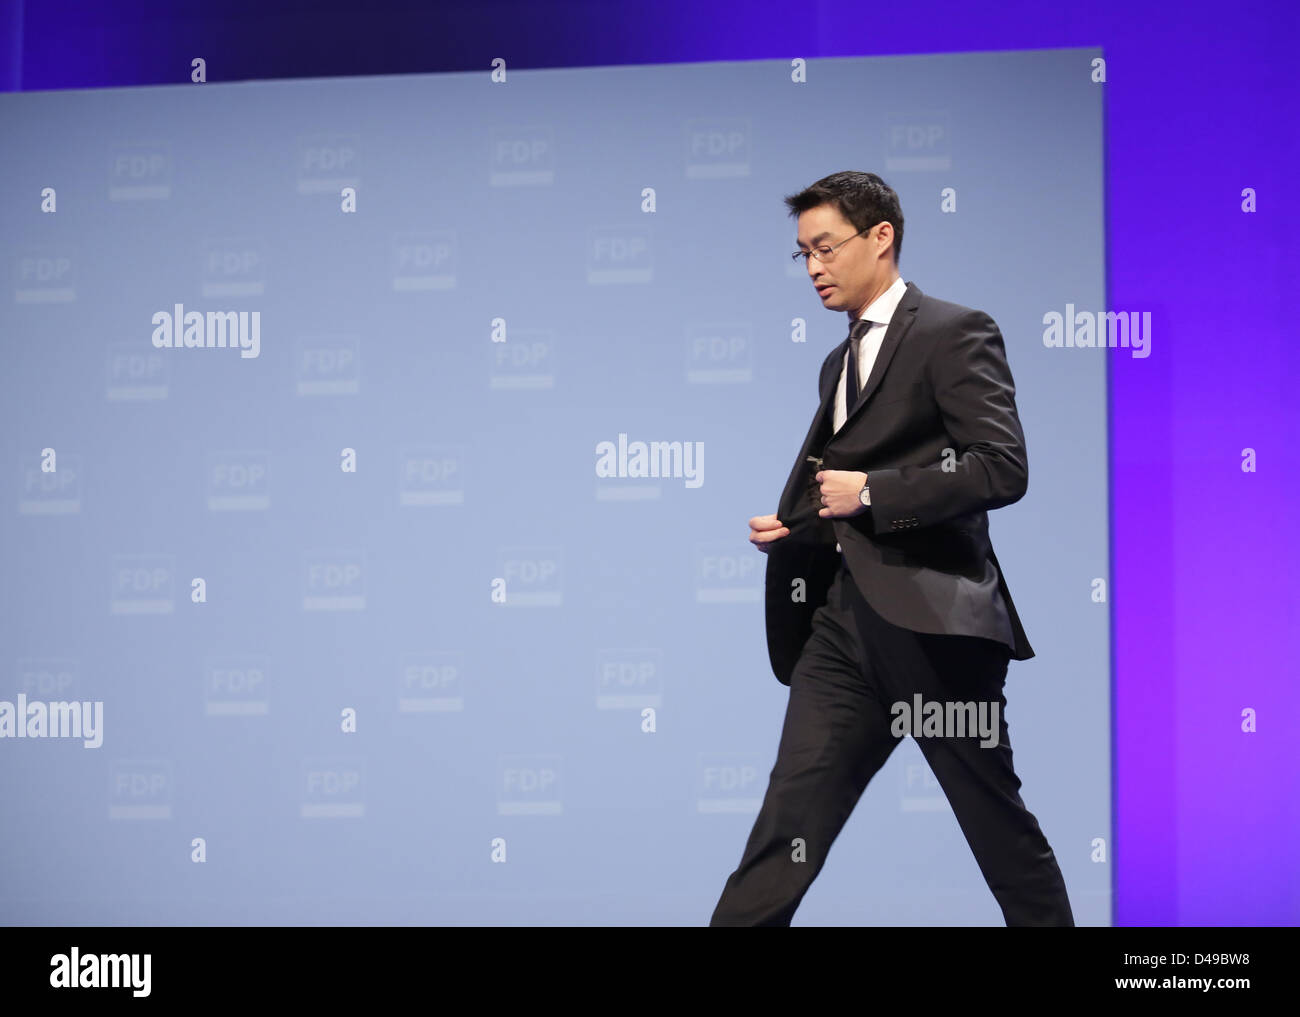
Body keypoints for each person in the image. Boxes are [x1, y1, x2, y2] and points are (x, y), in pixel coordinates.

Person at [709, 171, 1074, 927]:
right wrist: (799, 528)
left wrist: (873, 493)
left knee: (998, 833)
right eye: (802, 253)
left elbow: (1000, 467)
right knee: (786, 829)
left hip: (935, 631)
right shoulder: (835, 364)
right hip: (843, 632)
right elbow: (836, 492)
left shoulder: (953, 331)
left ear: (882, 237)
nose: (812, 266)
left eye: (825, 246)